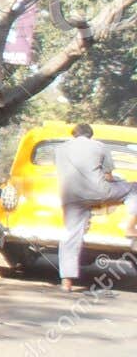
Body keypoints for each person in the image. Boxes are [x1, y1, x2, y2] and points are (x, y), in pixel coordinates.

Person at [54, 122, 137, 292]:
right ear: (90, 135)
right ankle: (130, 226)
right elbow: (108, 176)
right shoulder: (100, 146)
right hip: (98, 193)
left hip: (70, 196)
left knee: (71, 235)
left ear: (74, 135)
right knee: (134, 188)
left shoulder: (60, 149)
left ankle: (66, 281)